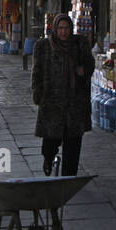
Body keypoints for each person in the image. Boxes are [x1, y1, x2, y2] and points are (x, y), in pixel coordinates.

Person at [31, 12, 94, 176]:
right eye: (60, 28)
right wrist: (38, 92)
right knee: (50, 140)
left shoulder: (80, 44)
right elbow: (37, 71)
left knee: (73, 141)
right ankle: (48, 159)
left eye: (66, 28)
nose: (63, 32)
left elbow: (90, 64)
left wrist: (84, 71)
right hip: (52, 100)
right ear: (55, 29)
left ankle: (69, 176)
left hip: (75, 101)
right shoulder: (44, 46)